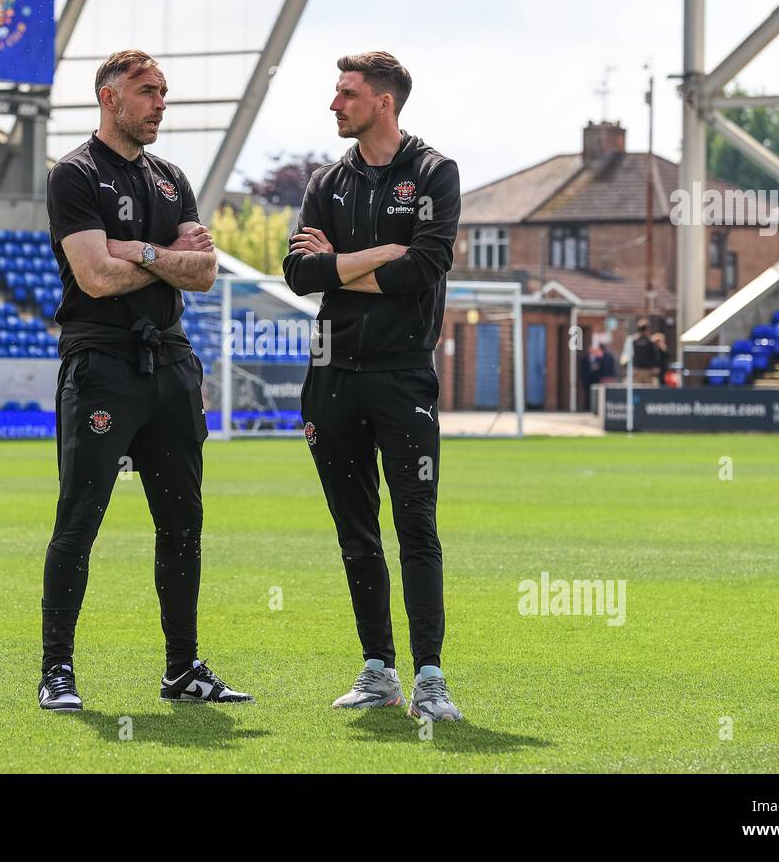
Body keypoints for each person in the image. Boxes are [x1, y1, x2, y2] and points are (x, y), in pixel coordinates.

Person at [38, 49, 251, 712]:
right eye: (148, 91)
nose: (161, 102)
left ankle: (182, 669)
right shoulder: (74, 174)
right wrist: (167, 261)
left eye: (164, 91)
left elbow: (206, 271)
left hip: (172, 368)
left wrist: (142, 251)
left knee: (183, 522)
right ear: (109, 98)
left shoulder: (170, 179)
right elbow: (95, 277)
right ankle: (56, 671)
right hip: (101, 366)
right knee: (81, 518)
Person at [283, 51, 464, 721]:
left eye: (347, 94)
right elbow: (298, 276)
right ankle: (378, 670)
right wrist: (374, 258)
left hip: (402, 375)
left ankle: (431, 679)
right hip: (331, 379)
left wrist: (336, 266)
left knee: (416, 526)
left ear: (383, 102)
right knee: (356, 532)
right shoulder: (327, 180)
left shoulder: (434, 171)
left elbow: (427, 267)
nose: (335, 104)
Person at [626, 319, 662, 386]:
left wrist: (655, 367)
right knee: (639, 389)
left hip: (646, 370)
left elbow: (654, 355)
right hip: (638, 370)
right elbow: (629, 355)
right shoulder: (634, 341)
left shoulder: (649, 342)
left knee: (646, 390)